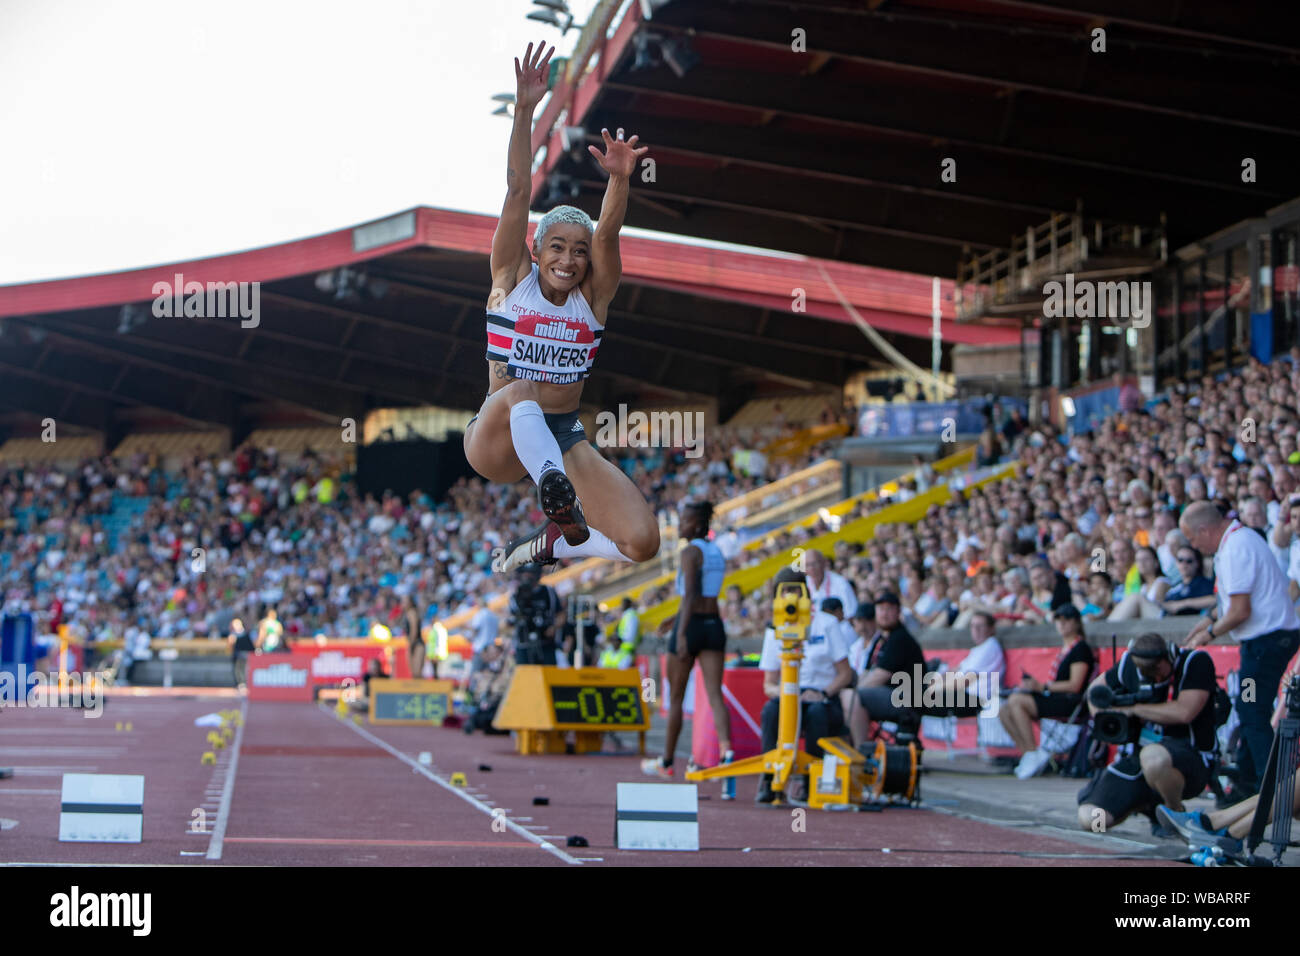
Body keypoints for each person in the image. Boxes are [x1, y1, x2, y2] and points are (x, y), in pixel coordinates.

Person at [466, 41, 658, 573]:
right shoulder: (510, 280)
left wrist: (619, 179)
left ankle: (559, 539)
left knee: (643, 542)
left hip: (563, 431)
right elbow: (517, 192)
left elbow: (610, 233)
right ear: (535, 251)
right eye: (558, 247)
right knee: (520, 387)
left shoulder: (593, 300)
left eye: (579, 250)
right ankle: (555, 490)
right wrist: (525, 110)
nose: (570, 260)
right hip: (497, 435)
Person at [1180, 500, 1300, 796]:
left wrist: (1207, 634)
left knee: (1252, 710)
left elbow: (1240, 611)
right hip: (1263, 644)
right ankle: (1247, 781)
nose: (1195, 546)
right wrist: (1205, 622)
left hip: (1266, 644)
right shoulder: (1236, 542)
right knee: (1249, 708)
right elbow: (1230, 604)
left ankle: (1270, 788)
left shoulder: (1236, 547)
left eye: (1193, 539)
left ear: (1205, 530)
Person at [1078, 633, 1217, 835]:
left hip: (1186, 760)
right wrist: (1106, 719)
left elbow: (1185, 712)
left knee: (1153, 757)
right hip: (1136, 764)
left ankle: (1175, 813)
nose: (1156, 676)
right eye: (1146, 671)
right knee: (1091, 820)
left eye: (1157, 668)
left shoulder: (1195, 662)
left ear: (1168, 655)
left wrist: (1134, 709)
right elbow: (1094, 693)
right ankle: (1145, 805)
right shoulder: (1128, 665)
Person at [643, 501, 732, 785]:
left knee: (677, 697)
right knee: (714, 693)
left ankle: (667, 762)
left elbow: (691, 593)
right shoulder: (715, 551)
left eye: (684, 521)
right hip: (713, 625)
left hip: (691, 627)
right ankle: (727, 751)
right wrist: (674, 618)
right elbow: (703, 596)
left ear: (696, 525)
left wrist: (680, 632)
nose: (680, 526)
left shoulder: (690, 552)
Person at [755, 568, 855, 804]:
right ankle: (770, 778)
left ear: (806, 593)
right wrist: (787, 694)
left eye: (794, 590)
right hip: (789, 694)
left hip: (822, 696)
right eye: (784, 592)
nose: (789, 597)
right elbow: (768, 684)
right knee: (770, 712)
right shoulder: (773, 631)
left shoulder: (827, 624)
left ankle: (811, 779)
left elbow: (845, 674)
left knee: (817, 714)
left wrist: (822, 693)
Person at [998, 604, 1095, 779]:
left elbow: (1075, 685)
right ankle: (1028, 753)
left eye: (1066, 621)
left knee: (1017, 701)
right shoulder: (1066, 648)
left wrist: (1042, 687)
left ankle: (1033, 751)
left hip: (1069, 701)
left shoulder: (1081, 649)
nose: (1062, 625)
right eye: (1059, 621)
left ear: (1076, 623)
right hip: (1056, 697)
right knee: (1003, 710)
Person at [848, 591, 926, 748]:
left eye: (889, 609)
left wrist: (852, 692)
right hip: (892, 695)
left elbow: (879, 676)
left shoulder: (899, 638)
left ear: (898, 612)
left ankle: (860, 749)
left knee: (855, 698)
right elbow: (867, 672)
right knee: (847, 696)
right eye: (881, 609)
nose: (884, 614)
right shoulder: (882, 638)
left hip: (907, 699)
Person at [507, 564, 564, 666]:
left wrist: (553, 628)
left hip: (546, 641)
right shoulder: (515, 595)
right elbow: (510, 620)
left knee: (549, 674)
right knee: (525, 676)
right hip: (524, 643)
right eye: (525, 574)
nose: (527, 577)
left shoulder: (548, 591)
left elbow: (561, 614)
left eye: (530, 574)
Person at [1160, 545, 1215, 616]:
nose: (1184, 564)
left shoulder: (1204, 583)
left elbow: (1215, 599)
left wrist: (1184, 604)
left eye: (1189, 561)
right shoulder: (1175, 585)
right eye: (1180, 560)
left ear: (1197, 563)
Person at [803, 548, 858, 618]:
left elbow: (851, 614)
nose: (811, 568)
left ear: (824, 563)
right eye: (807, 565)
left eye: (814, 563)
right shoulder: (804, 584)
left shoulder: (840, 583)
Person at [402, 595, 430, 680]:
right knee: (413, 673)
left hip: (417, 643)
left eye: (404, 601)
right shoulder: (407, 614)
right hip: (413, 643)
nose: (403, 604)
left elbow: (414, 630)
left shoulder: (412, 613)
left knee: (417, 672)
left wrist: (411, 644)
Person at [228, 618, 253, 690]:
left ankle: (243, 682)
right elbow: (230, 645)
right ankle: (240, 683)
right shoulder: (233, 634)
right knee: (237, 669)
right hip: (237, 655)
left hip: (244, 654)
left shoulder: (244, 633)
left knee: (243, 669)